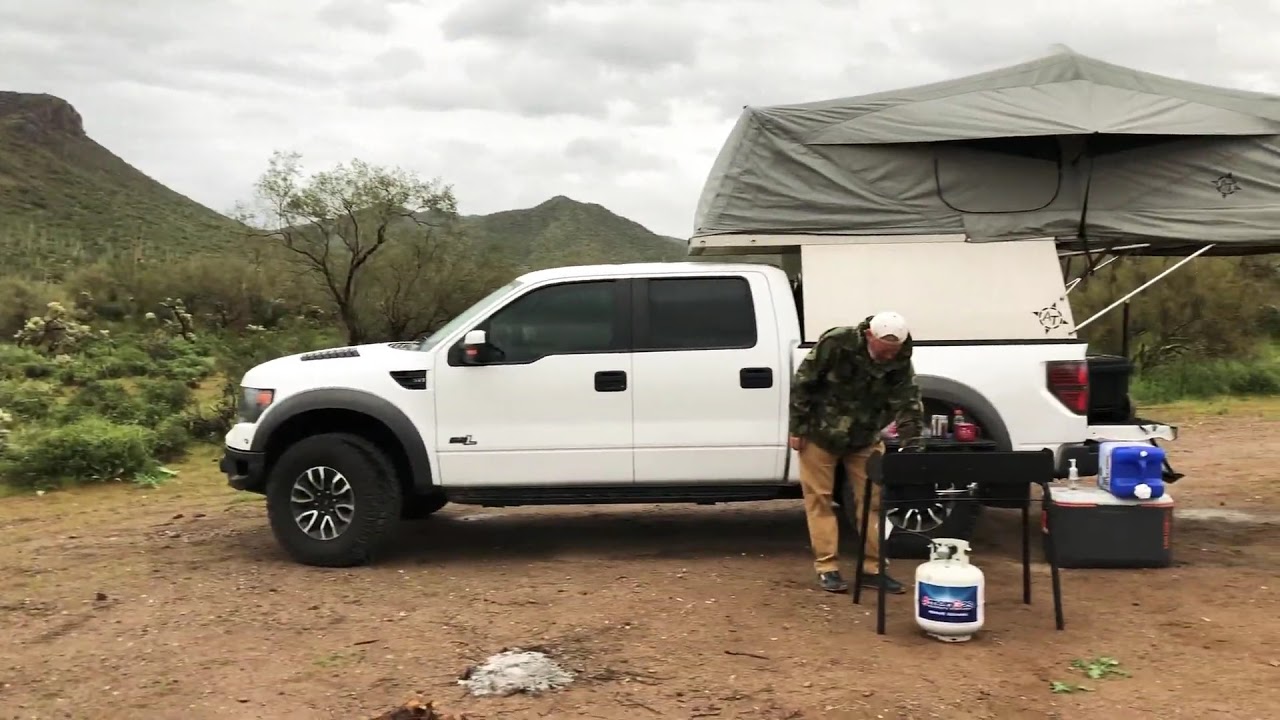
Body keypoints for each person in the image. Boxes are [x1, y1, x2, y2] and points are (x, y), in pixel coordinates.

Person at [788, 310, 926, 595]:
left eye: (893, 351)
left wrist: (913, 448)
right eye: (883, 350)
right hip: (820, 433)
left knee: (872, 503)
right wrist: (797, 429)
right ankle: (828, 568)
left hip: (864, 436)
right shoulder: (837, 342)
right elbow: (804, 382)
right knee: (820, 501)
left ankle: (873, 569)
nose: (888, 357)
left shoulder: (900, 358)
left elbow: (908, 401)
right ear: (868, 336)